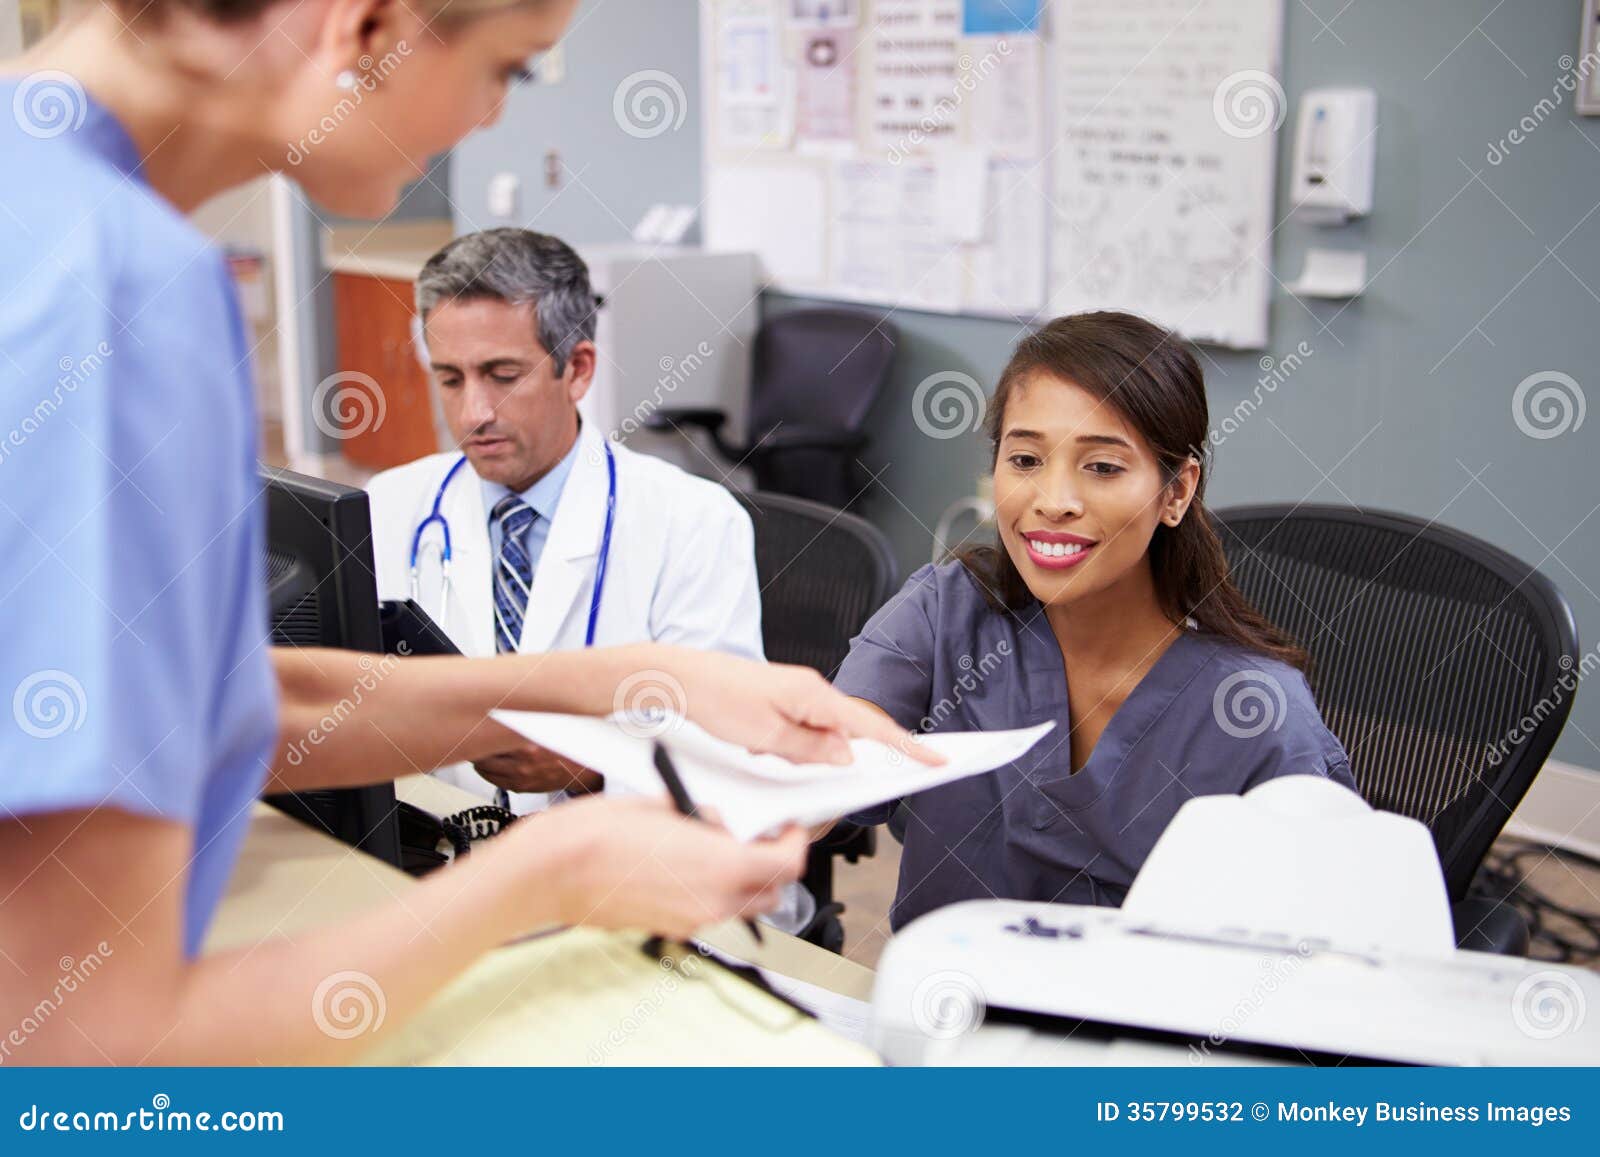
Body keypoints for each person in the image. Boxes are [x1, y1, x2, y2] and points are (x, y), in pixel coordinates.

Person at [0, 0, 933, 1065]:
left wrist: (621, 675)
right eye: (510, 69)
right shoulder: (117, 284)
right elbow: (74, 1048)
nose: (487, 119)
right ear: (364, 23)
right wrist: (551, 872)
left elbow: (233, 701)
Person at [832, 312, 1355, 931]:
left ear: (1177, 492)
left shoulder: (1255, 714)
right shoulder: (948, 611)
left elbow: (1328, 946)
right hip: (941, 1012)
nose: (1053, 500)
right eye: (1025, 458)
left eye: (1103, 467)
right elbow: (827, 762)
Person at [367, 228, 761, 812]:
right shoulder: (391, 503)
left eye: (503, 376)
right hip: (438, 847)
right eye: (450, 379)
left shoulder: (694, 522)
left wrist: (590, 768)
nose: (473, 413)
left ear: (576, 370)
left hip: (618, 864)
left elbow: (725, 750)